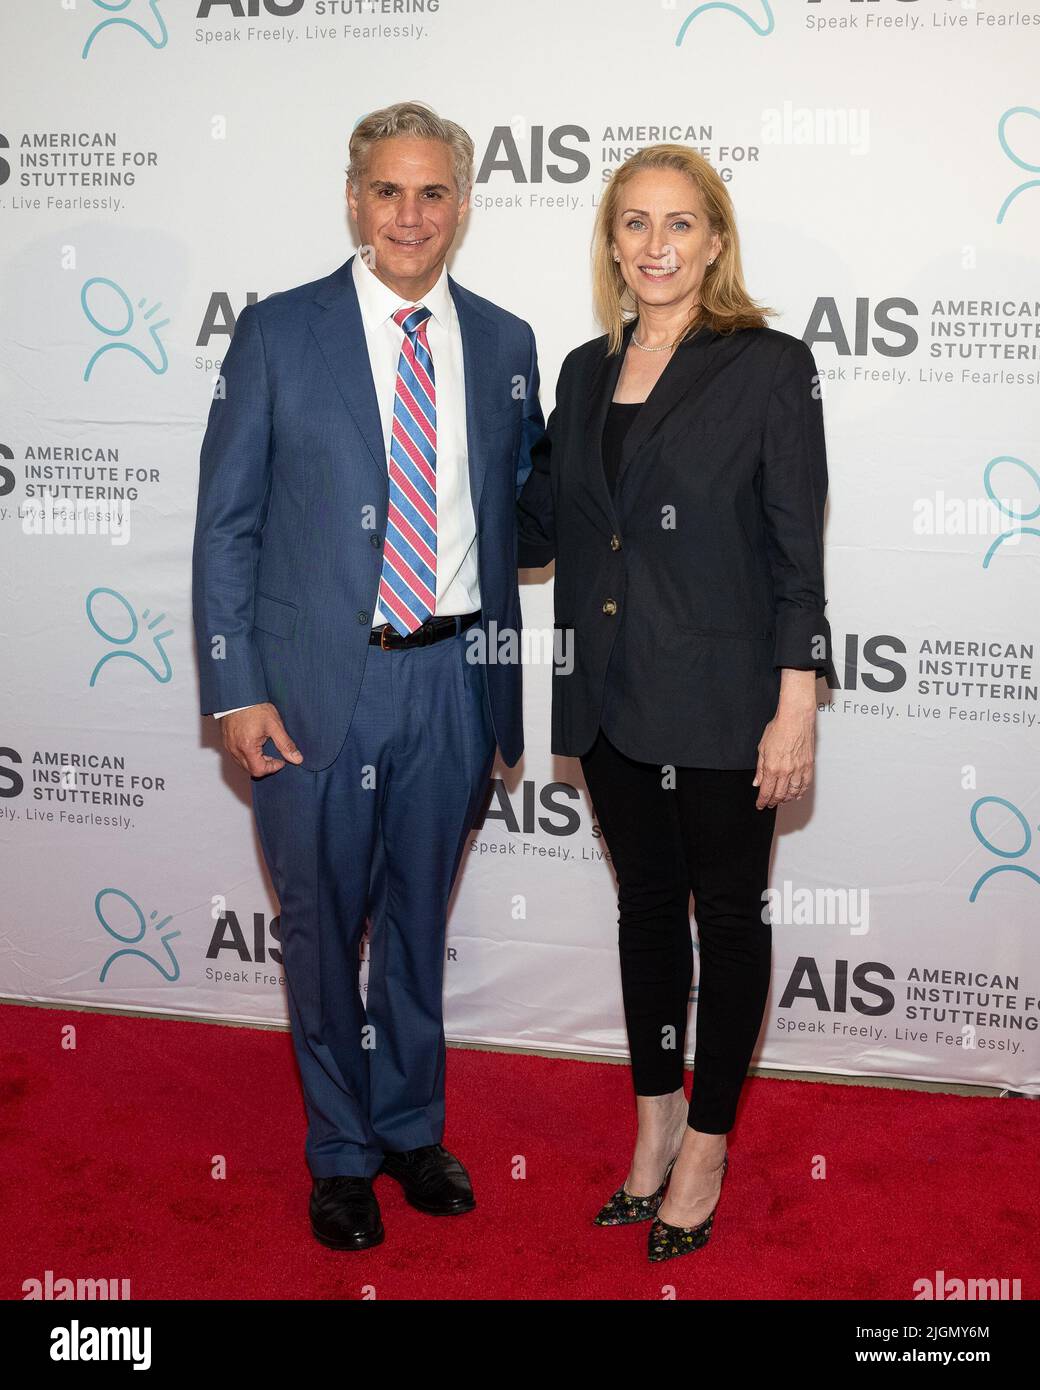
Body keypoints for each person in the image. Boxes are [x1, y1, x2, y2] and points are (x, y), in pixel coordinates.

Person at [192, 101, 544, 1251]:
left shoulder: (504, 343)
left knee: (411, 924)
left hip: (452, 680)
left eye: (432, 192)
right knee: (319, 924)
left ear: (460, 206)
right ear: (353, 200)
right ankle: (337, 1151)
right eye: (388, 191)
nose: (409, 214)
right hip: (309, 691)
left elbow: (520, 526)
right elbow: (226, 525)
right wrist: (235, 688)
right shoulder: (278, 333)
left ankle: (407, 1126)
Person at [518, 144, 835, 1263]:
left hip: (718, 699)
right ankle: (650, 1129)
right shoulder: (576, 370)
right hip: (605, 699)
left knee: (728, 917)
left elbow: (798, 554)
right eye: (634, 223)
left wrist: (793, 704)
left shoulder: (765, 364)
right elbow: (543, 528)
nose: (655, 245)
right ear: (609, 240)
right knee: (644, 912)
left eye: (679, 224)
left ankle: (706, 1147)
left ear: (714, 240)